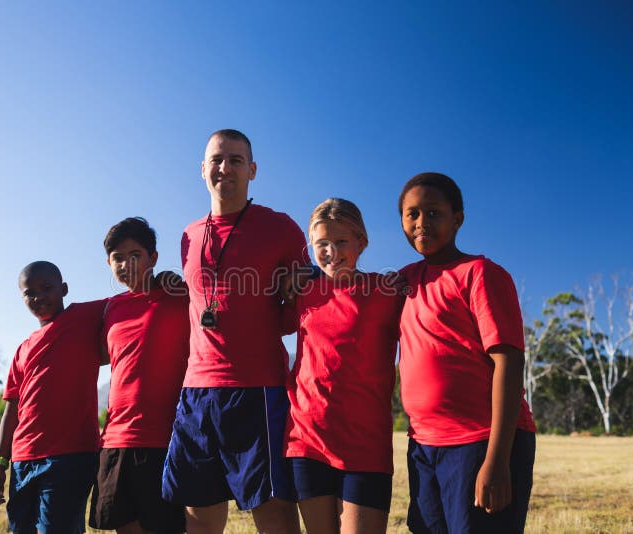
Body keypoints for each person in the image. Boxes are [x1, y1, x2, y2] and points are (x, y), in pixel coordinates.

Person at [162, 129, 308, 534]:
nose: (224, 168)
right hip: (195, 391)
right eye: (216, 159)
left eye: (235, 160)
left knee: (274, 511)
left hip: (257, 388)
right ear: (202, 169)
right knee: (198, 513)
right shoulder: (189, 235)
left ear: (253, 170)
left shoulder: (281, 228)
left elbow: (298, 313)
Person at [397, 172, 536, 534]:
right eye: (412, 214)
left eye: (433, 212)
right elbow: (349, 285)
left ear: (457, 218)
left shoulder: (480, 274)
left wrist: (497, 459)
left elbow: (509, 361)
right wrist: (308, 276)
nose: (421, 222)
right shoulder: (402, 281)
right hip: (424, 445)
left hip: (481, 442)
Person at [283, 198, 402, 534]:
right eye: (322, 244)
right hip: (306, 438)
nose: (332, 252)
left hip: (365, 445)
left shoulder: (386, 291)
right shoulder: (303, 290)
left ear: (361, 242)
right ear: (311, 247)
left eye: (341, 242)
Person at [88, 217, 189, 534]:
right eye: (117, 257)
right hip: (116, 439)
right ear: (109, 262)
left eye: (135, 255)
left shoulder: (179, 296)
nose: (125, 264)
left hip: (164, 438)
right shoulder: (110, 309)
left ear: (153, 258)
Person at [0, 261, 104, 534]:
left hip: (70, 457)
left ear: (63, 289)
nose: (38, 297)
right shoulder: (22, 349)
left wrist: (163, 283)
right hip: (23, 459)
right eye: (29, 293)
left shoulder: (84, 317)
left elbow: (131, 300)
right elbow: (12, 411)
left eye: (47, 288)